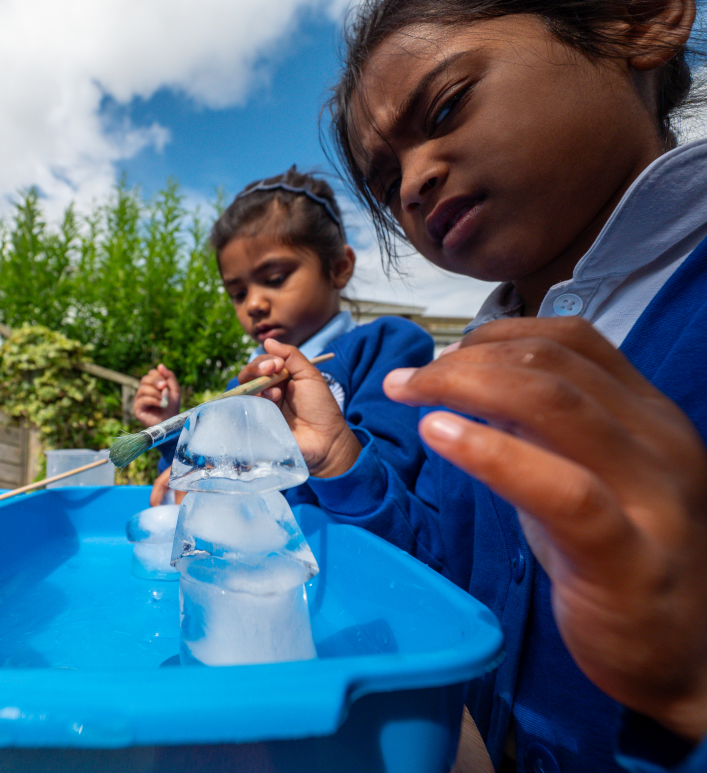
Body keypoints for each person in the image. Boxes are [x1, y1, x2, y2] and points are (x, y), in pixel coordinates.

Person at [242, 1, 707, 770]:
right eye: (388, 180)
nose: (417, 181)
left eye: (449, 106)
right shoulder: (467, 381)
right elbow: (448, 587)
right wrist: (341, 460)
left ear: (638, 19)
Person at [132, 167, 433, 506]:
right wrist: (171, 442)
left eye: (275, 278)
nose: (254, 304)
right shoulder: (243, 386)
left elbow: (395, 497)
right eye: (237, 293)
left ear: (338, 267)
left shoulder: (385, 348)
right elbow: (204, 484)